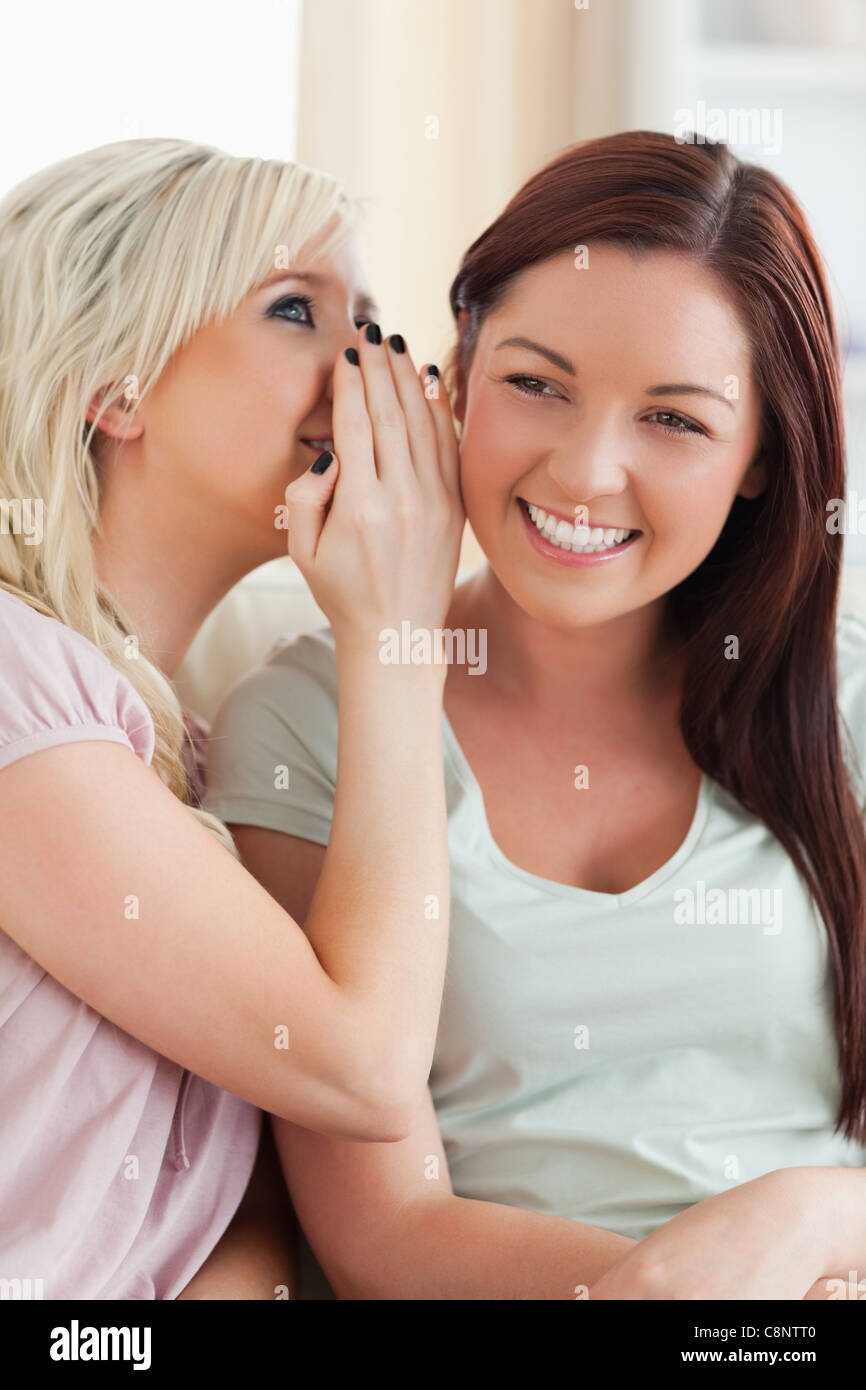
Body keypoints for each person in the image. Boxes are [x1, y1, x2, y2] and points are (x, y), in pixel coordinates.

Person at [205, 130, 866, 1300]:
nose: (580, 472)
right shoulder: (303, 724)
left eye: (672, 419)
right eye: (534, 383)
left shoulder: (844, 700)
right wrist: (698, 1297)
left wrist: (809, 1218)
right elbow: (384, 1235)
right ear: (452, 376)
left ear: (760, 453)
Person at [0, 137, 463, 1299]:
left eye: (369, 321)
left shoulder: (191, 760)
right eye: (295, 309)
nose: (362, 370)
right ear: (117, 385)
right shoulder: (15, 681)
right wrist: (396, 635)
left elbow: (241, 1201)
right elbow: (362, 1065)